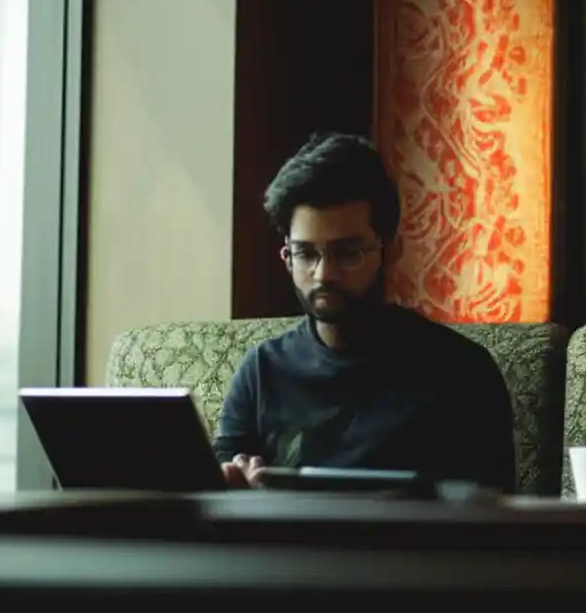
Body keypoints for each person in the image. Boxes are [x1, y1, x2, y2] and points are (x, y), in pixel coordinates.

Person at [215, 131, 516, 493]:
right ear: (286, 255)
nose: (323, 274)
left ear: (387, 248)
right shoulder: (261, 372)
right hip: (287, 548)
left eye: (347, 253)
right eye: (306, 254)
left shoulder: (462, 373)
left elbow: (486, 525)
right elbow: (217, 485)